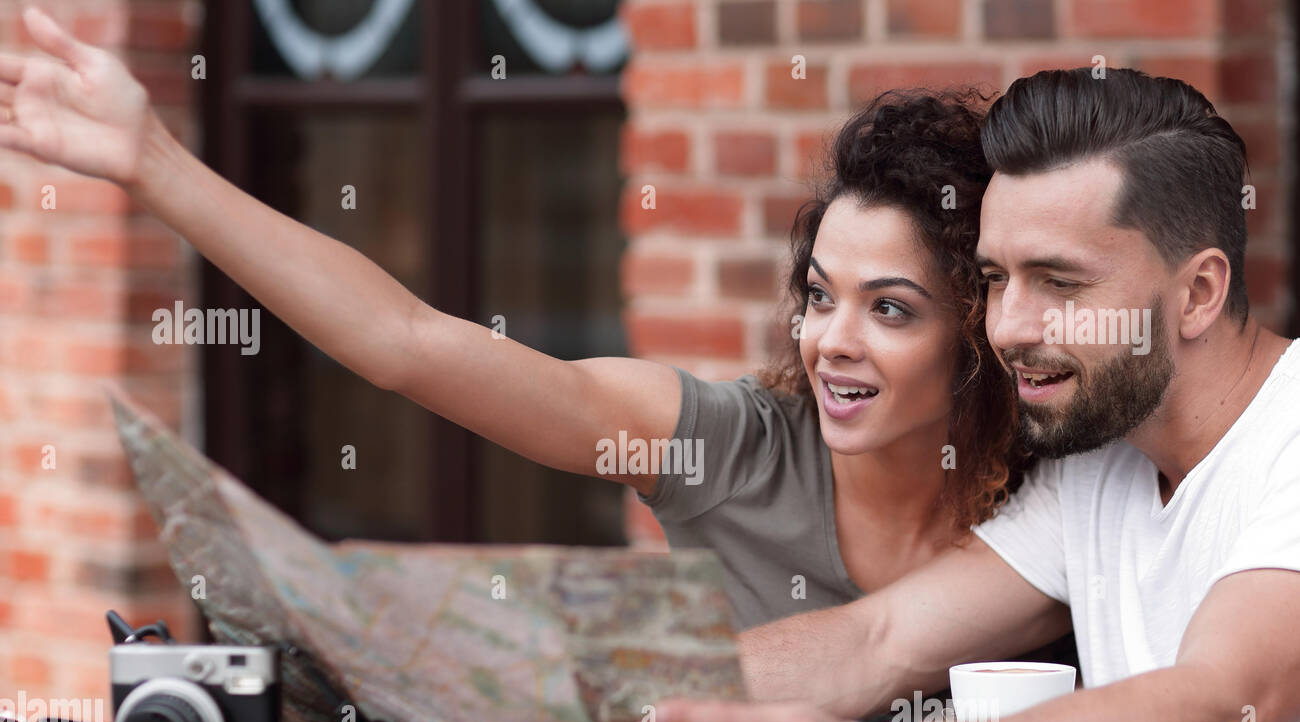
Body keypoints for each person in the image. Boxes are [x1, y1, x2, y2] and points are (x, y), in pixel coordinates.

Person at [0, 8, 1046, 637]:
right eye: (818, 296)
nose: (831, 341)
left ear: (979, 330)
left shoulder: (1062, 497)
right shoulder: (727, 448)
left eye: (891, 309)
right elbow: (404, 343)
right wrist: (151, 162)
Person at [631, 67, 1300, 722]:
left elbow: (1219, 721)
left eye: (1061, 283)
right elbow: (877, 642)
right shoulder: (1101, 466)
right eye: (994, 278)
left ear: (1197, 293)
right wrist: (593, 701)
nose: (1011, 327)